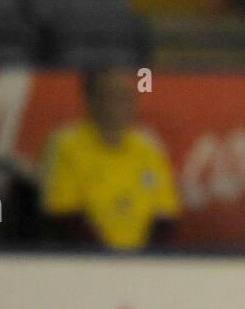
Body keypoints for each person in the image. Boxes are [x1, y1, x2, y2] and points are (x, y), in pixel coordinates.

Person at [39, 64, 180, 250]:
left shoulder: (149, 147)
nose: (125, 103)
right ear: (91, 100)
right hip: (86, 260)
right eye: (114, 95)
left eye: (128, 96)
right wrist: (109, 262)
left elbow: (165, 216)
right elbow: (64, 215)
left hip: (143, 265)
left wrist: (145, 261)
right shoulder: (65, 145)